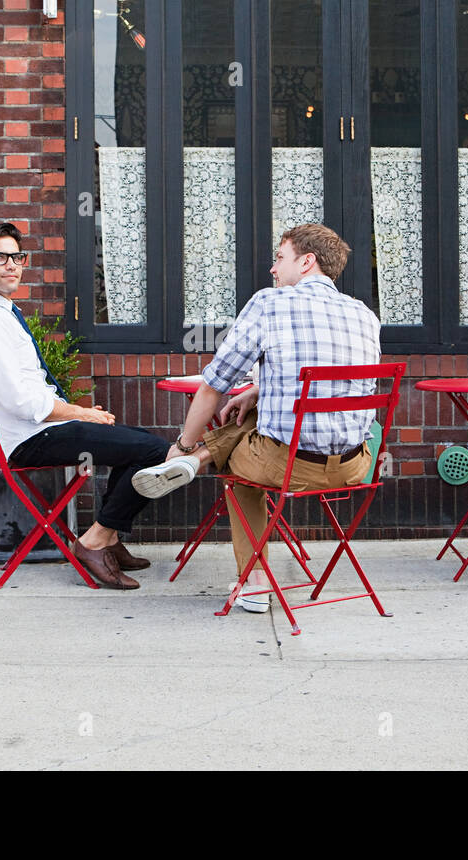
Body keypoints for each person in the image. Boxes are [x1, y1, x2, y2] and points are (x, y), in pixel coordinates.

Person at [131, 224, 381, 613]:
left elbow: (214, 385)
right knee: (255, 418)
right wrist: (259, 390)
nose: (273, 269)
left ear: (307, 261)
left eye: (280, 258)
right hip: (355, 466)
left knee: (237, 470)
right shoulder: (364, 315)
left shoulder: (269, 304)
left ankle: (255, 579)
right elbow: (333, 385)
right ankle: (198, 459)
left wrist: (181, 443)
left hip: (287, 466)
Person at [0, 222, 170, 591]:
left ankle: (110, 537)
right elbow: (20, 401)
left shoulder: (1, 312)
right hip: (31, 438)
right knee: (153, 451)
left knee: (139, 442)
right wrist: (83, 413)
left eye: (17, 257)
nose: (12, 265)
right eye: (0, 257)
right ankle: (94, 540)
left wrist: (79, 413)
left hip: (44, 428)